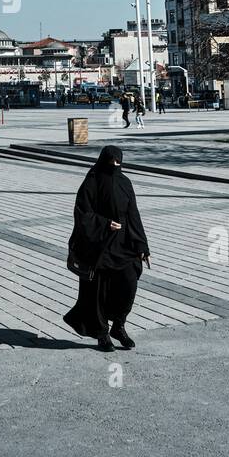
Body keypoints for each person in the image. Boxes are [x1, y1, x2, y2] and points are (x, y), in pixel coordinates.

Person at [63, 145, 150, 352]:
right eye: (111, 162)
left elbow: (133, 215)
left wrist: (142, 246)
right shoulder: (92, 181)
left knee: (129, 283)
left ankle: (119, 326)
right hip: (98, 247)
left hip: (123, 245)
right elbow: (82, 213)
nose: (115, 166)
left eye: (118, 163)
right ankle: (102, 334)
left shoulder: (125, 182)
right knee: (97, 293)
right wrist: (103, 224)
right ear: (104, 161)